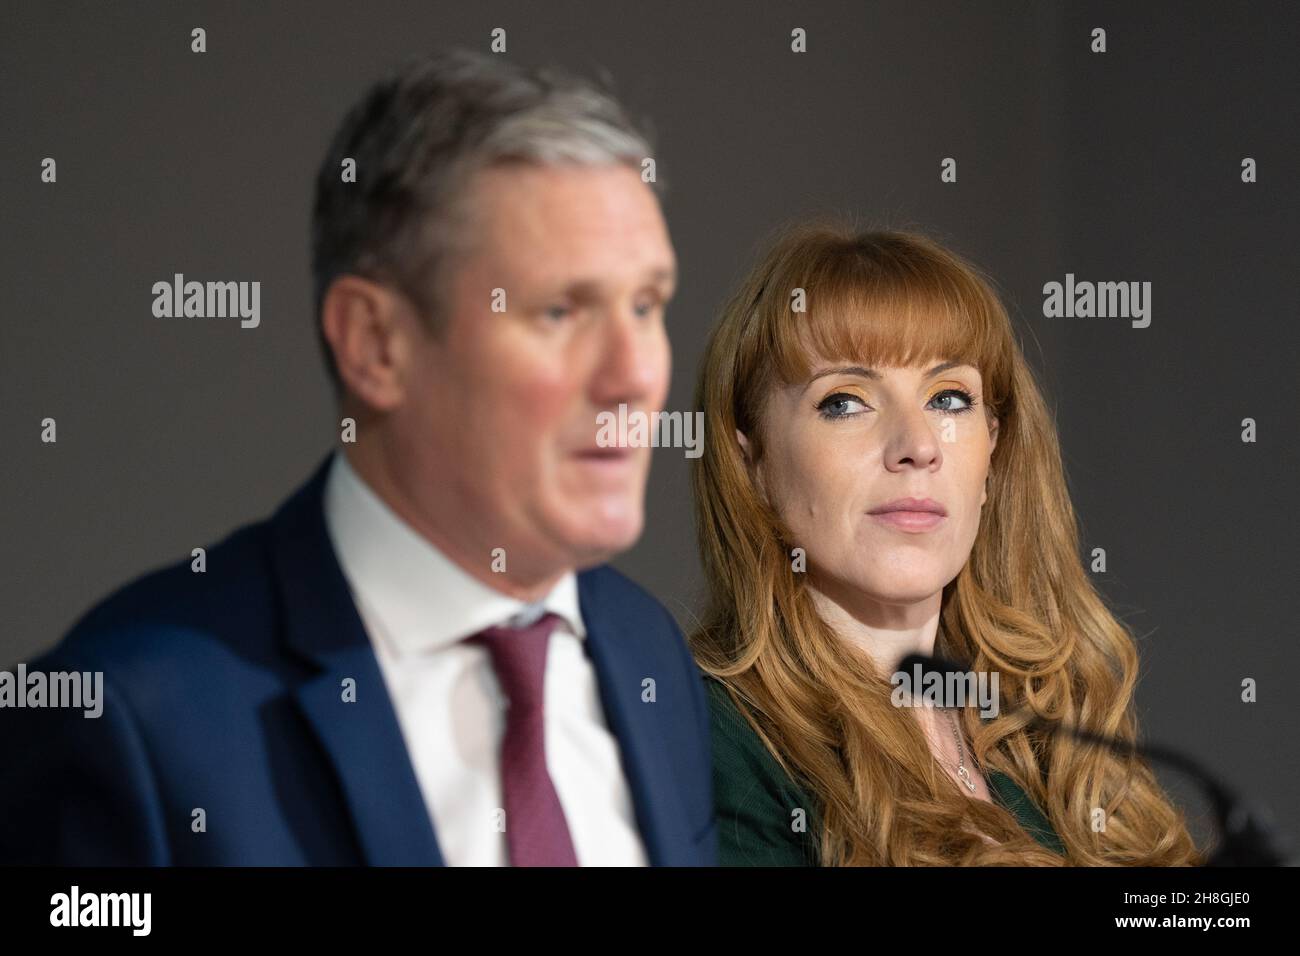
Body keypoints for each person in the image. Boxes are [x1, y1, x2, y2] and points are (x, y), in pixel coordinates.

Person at [0, 49, 716, 866]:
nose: (635, 375)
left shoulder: (649, 652)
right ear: (376, 345)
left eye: (647, 304)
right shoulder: (127, 720)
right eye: (560, 310)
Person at [690, 222, 1201, 865]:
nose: (919, 445)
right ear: (753, 464)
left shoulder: (1040, 734)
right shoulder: (712, 740)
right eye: (845, 402)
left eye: (949, 398)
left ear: (993, 451)